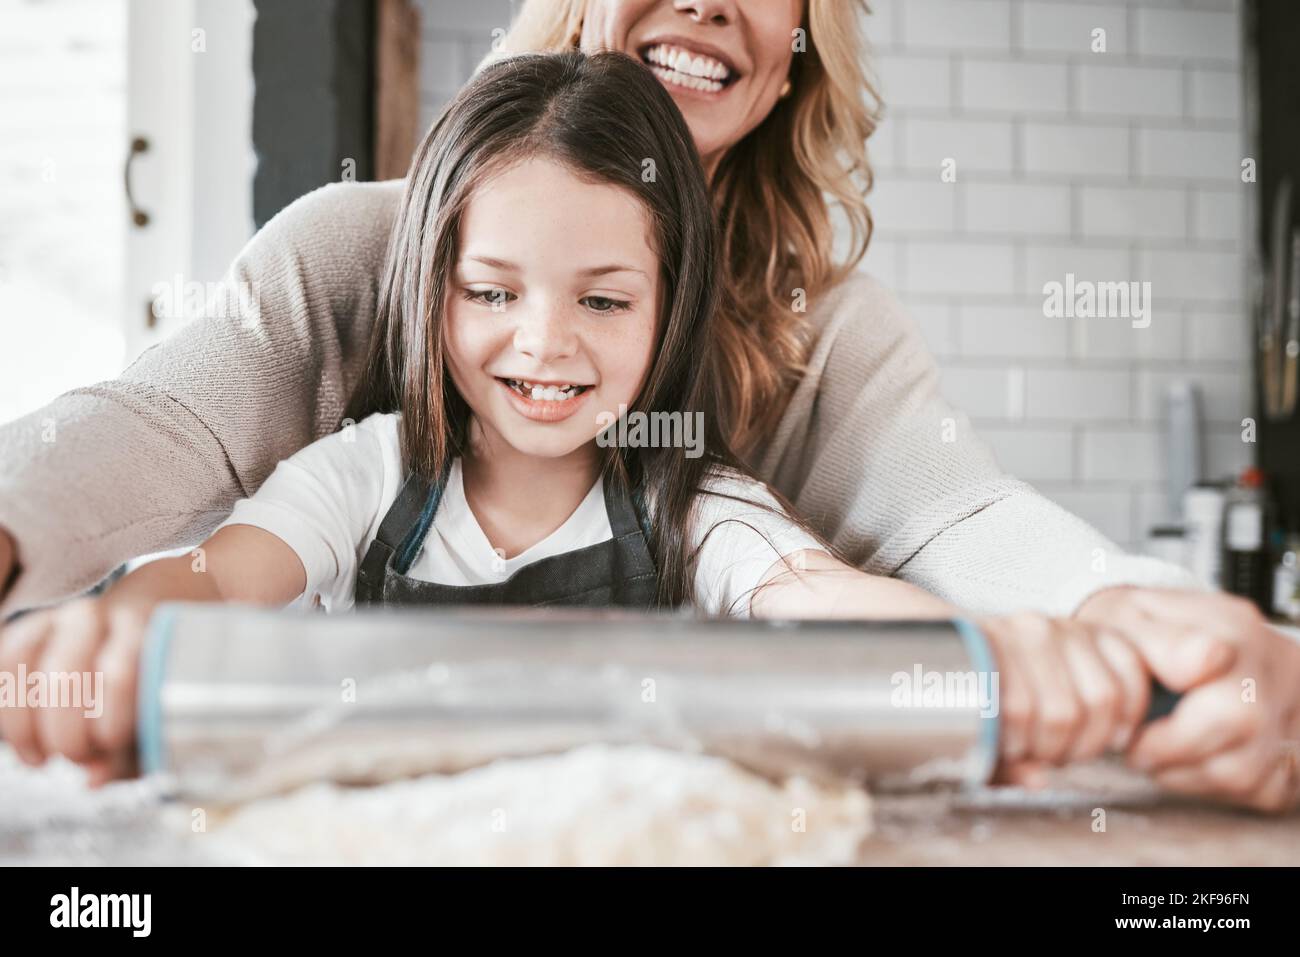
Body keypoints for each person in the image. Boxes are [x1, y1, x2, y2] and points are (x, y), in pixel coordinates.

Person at [0, 0, 1296, 810]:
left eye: (609, 302)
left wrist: (1093, 630)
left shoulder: (750, 425)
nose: (544, 344)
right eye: (490, 291)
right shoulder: (363, 326)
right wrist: (100, 623)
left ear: (795, 57)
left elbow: (931, 531)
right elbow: (159, 437)